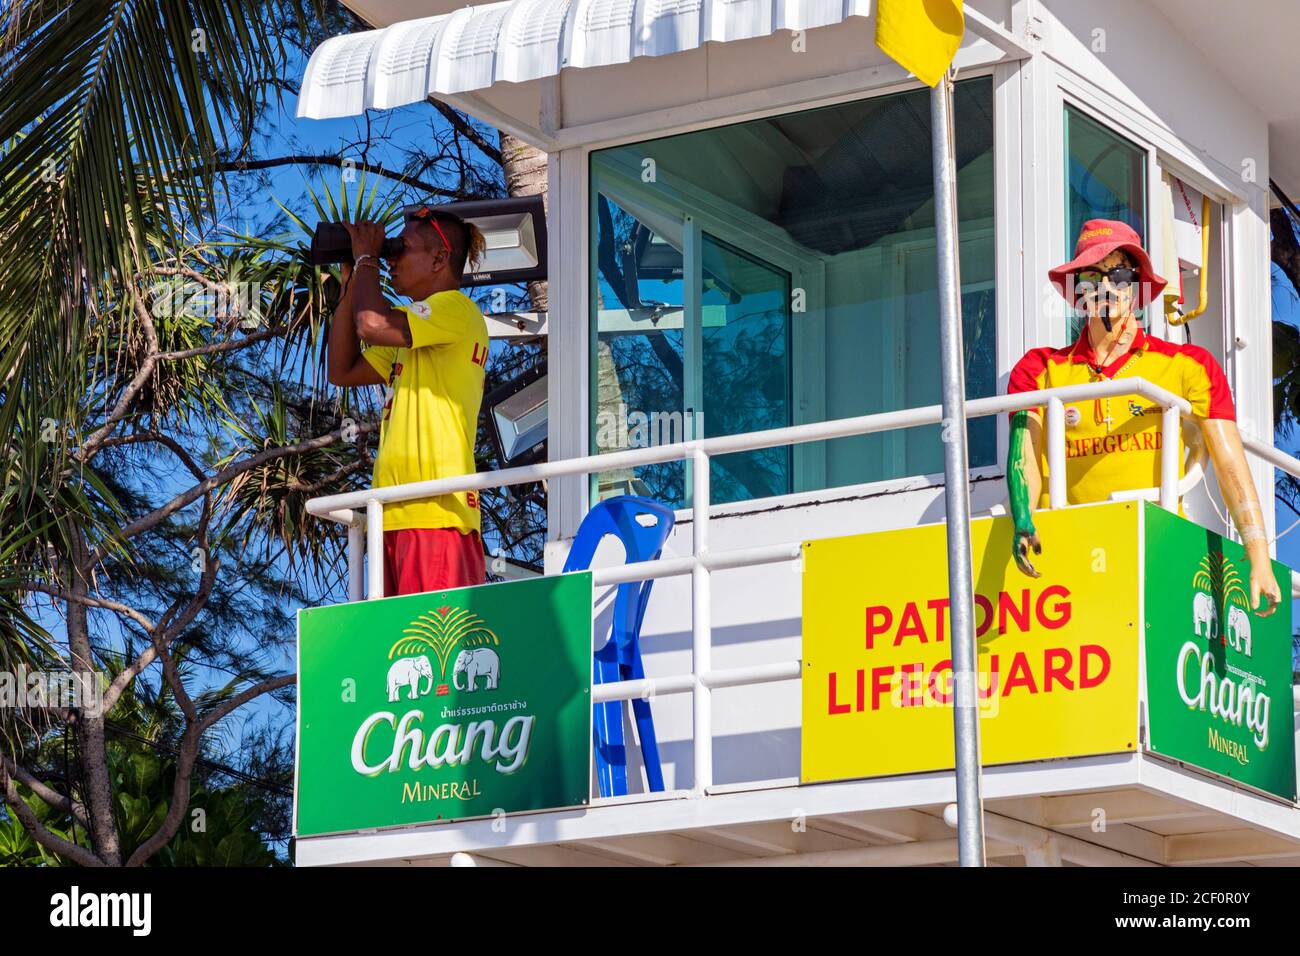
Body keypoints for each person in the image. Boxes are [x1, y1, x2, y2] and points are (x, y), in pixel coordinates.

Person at [1005, 218, 1280, 617]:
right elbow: (1023, 455)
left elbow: (1230, 463)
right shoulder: (1039, 368)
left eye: (1118, 273)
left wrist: (1258, 555)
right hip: (1064, 558)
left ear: (1135, 284)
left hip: (1158, 550)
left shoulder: (1190, 366)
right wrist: (1022, 519)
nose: (1105, 286)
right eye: (1091, 275)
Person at [327, 207, 490, 596]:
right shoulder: (412, 332)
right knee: (400, 653)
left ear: (439, 257)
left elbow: (371, 325)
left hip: (437, 515)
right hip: (393, 514)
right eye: (391, 249)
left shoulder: (456, 308)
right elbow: (342, 369)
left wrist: (368, 257)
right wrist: (352, 284)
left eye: (402, 248)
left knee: (433, 648)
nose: (392, 257)